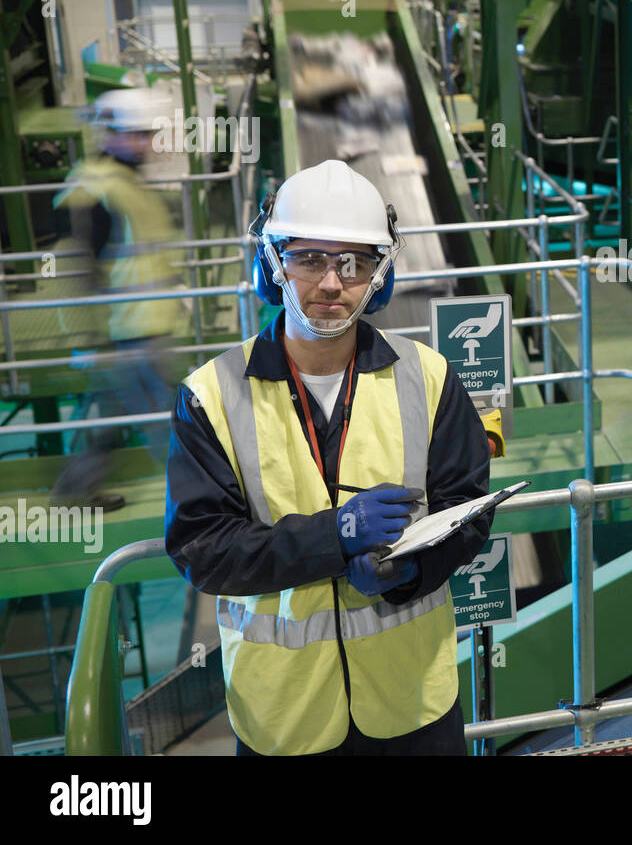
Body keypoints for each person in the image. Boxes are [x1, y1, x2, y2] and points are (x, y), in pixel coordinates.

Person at [164, 159, 492, 756]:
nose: (332, 284)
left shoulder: (431, 378)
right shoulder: (210, 396)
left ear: (380, 275)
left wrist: (412, 572)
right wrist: (333, 536)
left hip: (412, 707)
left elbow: (468, 513)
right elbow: (202, 550)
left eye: (354, 262)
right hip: (285, 719)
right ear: (272, 263)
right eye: (310, 258)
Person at [50, 88, 183, 511]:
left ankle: (72, 494)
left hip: (141, 324)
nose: (144, 144)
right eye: (135, 134)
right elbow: (82, 269)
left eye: (146, 134)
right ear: (108, 135)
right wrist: (88, 334)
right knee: (164, 419)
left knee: (113, 419)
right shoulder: (98, 191)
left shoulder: (124, 184)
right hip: (131, 330)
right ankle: (201, 505)